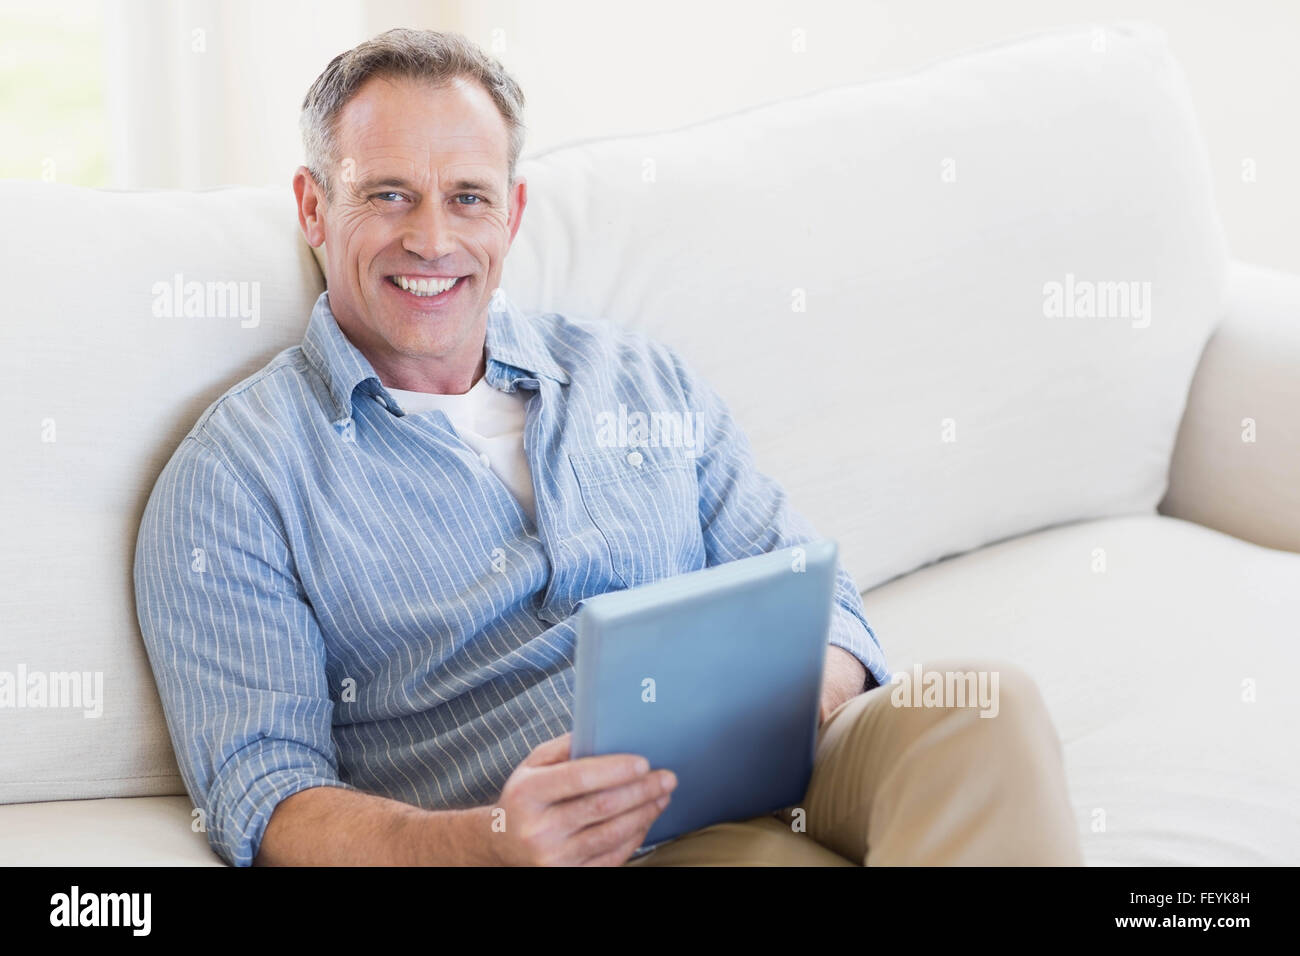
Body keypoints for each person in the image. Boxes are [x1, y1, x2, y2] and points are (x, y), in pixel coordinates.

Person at [133, 28, 1083, 867]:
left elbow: (817, 592)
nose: (432, 240)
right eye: (388, 195)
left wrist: (796, 698)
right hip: (564, 848)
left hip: (781, 754)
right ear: (311, 208)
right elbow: (263, 797)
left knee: (982, 708)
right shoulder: (235, 477)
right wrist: (487, 843)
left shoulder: (633, 377)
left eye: (468, 198)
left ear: (511, 213)